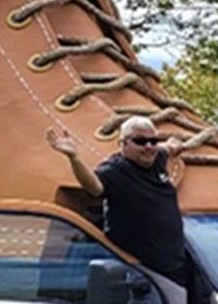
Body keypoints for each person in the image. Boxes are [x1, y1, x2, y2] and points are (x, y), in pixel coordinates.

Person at [47, 117, 191, 289]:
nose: (148, 146)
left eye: (153, 141)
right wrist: (74, 158)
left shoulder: (157, 157)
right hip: (142, 273)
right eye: (140, 141)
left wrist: (173, 144)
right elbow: (94, 187)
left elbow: (167, 148)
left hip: (175, 267)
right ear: (123, 143)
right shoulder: (115, 171)